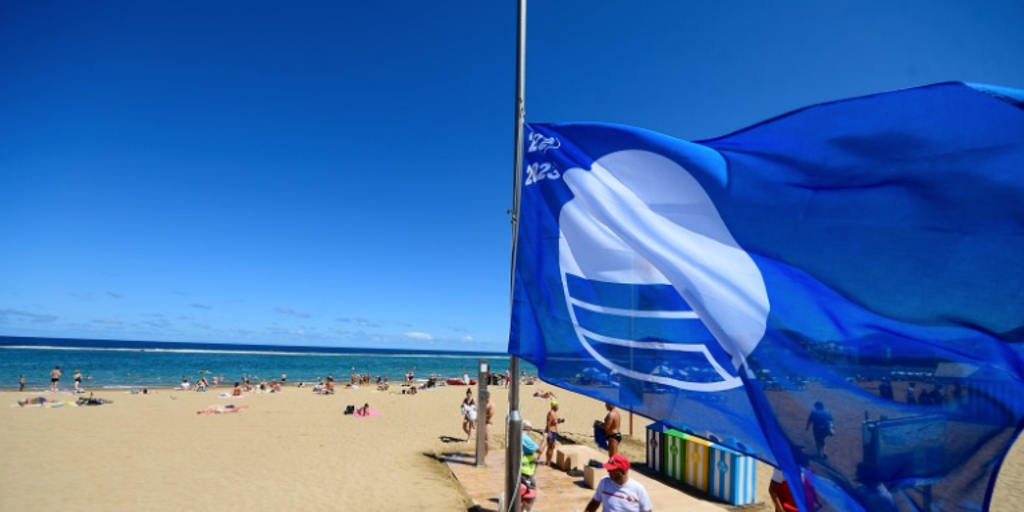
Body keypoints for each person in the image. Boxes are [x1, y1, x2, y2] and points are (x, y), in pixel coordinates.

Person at [583, 454, 652, 512]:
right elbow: (595, 503)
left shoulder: (638, 489)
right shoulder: (604, 482)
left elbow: (647, 510)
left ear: (623, 471)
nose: (608, 471)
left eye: (612, 469)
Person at [544, 400, 560, 466]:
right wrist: (549, 433)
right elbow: (548, 423)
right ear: (554, 406)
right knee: (550, 447)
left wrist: (559, 421)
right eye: (557, 405)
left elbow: (554, 422)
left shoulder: (554, 413)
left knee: (552, 447)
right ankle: (548, 462)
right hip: (551, 431)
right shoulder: (551, 413)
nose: (558, 407)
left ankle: (549, 461)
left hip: (554, 432)